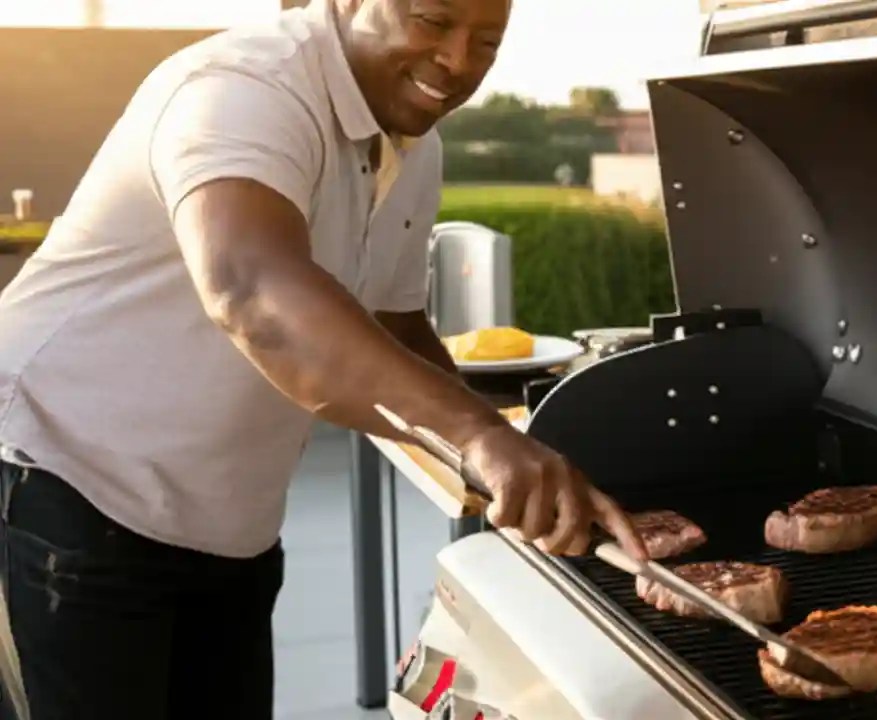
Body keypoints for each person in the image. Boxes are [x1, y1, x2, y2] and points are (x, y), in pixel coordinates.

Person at [0, 0, 646, 717]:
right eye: (431, 20)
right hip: (61, 483)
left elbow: (392, 326)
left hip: (227, 523)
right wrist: (477, 437)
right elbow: (250, 288)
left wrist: (511, 456)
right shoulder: (246, 87)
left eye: (486, 41)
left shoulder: (409, 142)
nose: (460, 62)